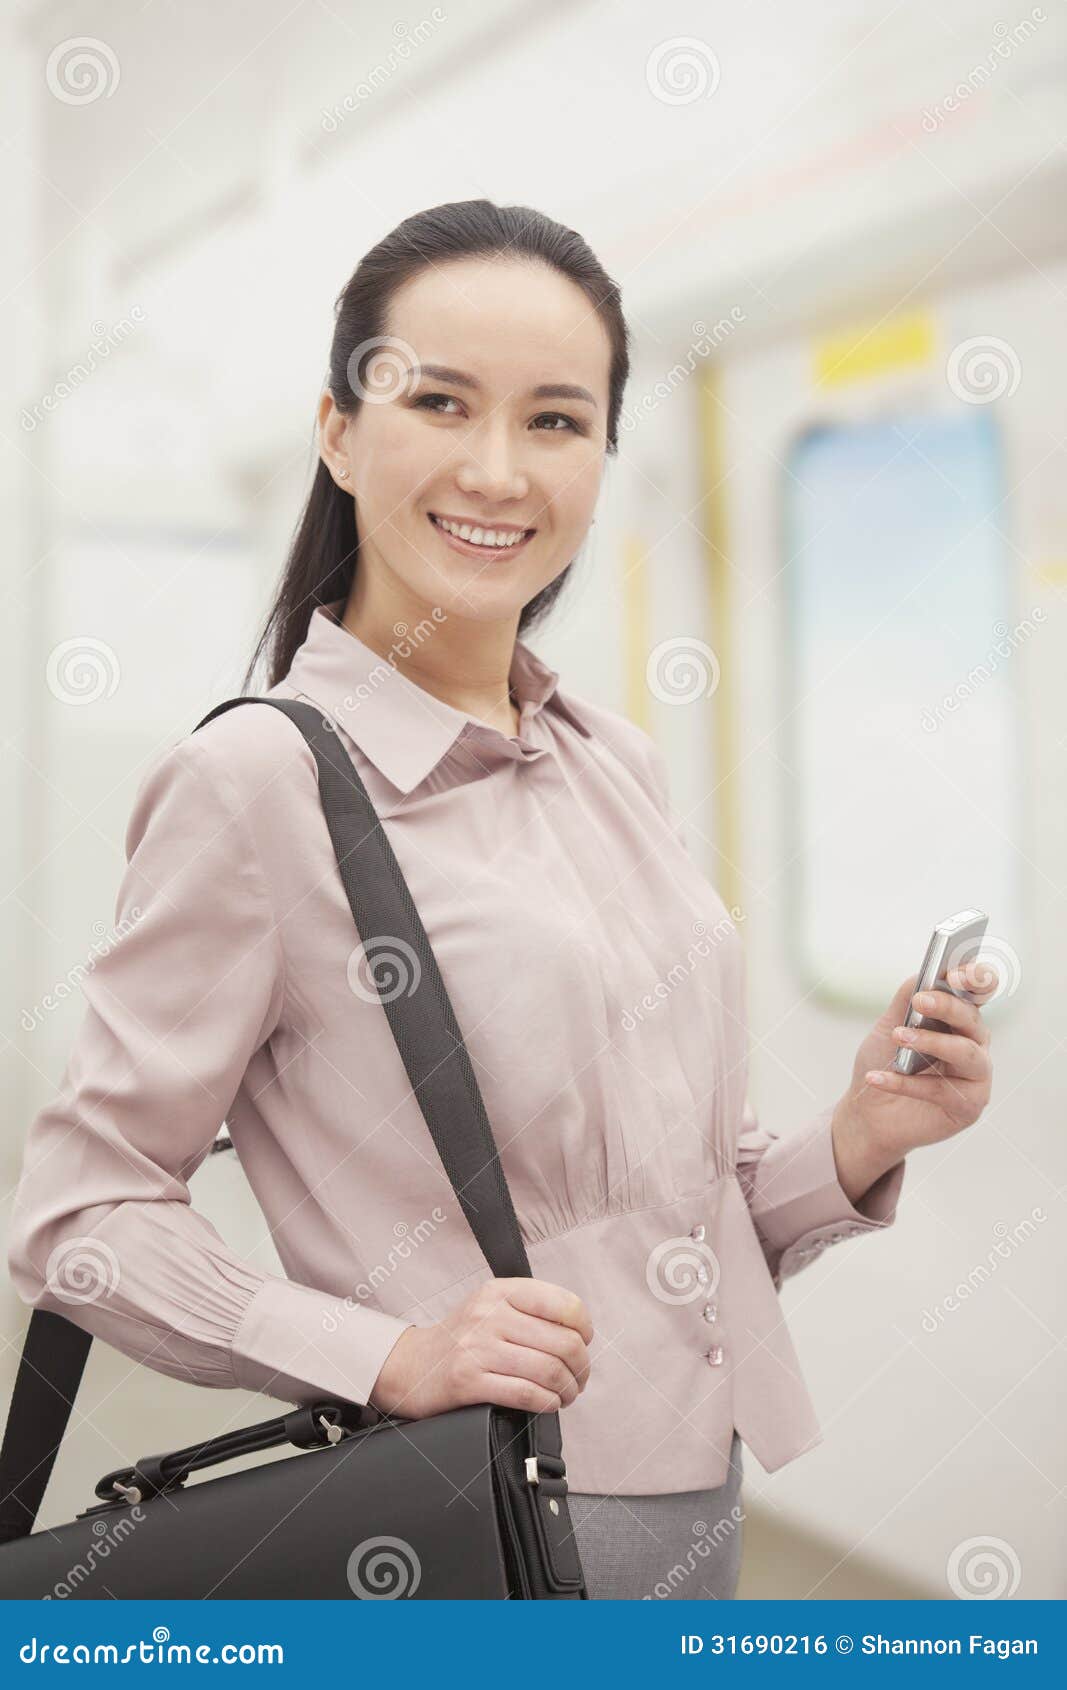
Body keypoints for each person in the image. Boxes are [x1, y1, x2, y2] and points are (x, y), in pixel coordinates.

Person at [7, 200, 998, 1601]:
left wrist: (859, 1137)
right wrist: (387, 1355)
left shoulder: (610, 759)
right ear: (339, 432)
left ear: (601, 455)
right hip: (474, 1530)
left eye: (555, 420)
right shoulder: (258, 783)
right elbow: (78, 1216)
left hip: (695, 1512)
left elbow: (663, 1212)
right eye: (440, 402)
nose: (497, 469)